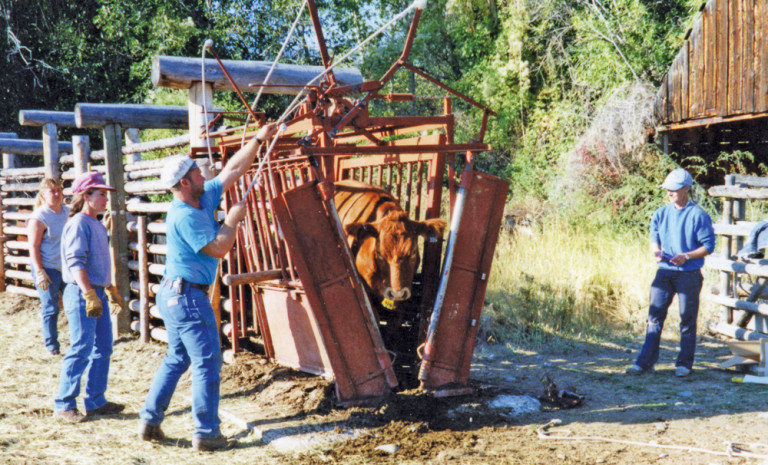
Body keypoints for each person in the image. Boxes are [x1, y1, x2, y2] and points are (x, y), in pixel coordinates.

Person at [139, 123, 276, 451]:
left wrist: (259, 139)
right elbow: (218, 248)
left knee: (177, 358)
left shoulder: (201, 197)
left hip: (175, 293)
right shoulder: (184, 215)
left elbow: (233, 170)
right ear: (185, 183)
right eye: (197, 173)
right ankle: (206, 432)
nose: (204, 174)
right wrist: (232, 220)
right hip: (186, 296)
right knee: (207, 361)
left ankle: (149, 420)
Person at [626, 168, 716, 378]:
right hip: (664, 272)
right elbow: (654, 239)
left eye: (674, 189)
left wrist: (687, 256)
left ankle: (684, 364)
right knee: (654, 317)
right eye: (667, 189)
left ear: (686, 189)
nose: (669, 192)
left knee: (687, 319)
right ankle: (645, 363)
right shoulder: (661, 213)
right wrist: (656, 252)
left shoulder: (698, 215)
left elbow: (708, 246)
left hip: (689, 274)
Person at [53, 171, 126, 423]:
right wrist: (88, 293)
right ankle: (64, 404)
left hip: (96, 292)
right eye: (101, 194)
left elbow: (98, 262)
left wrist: (109, 288)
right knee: (81, 346)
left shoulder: (96, 223)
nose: (106, 199)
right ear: (86, 196)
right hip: (81, 292)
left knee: (103, 347)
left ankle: (96, 401)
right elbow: (76, 263)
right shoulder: (78, 224)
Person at [27, 178, 69, 355]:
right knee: (51, 307)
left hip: (66, 266)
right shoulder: (39, 217)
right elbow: (33, 246)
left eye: (59, 190)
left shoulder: (67, 212)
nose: (57, 194)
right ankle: (52, 346)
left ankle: (79, 340)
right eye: (52, 191)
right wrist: (39, 271)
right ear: (43, 194)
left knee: (74, 303)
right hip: (47, 267)